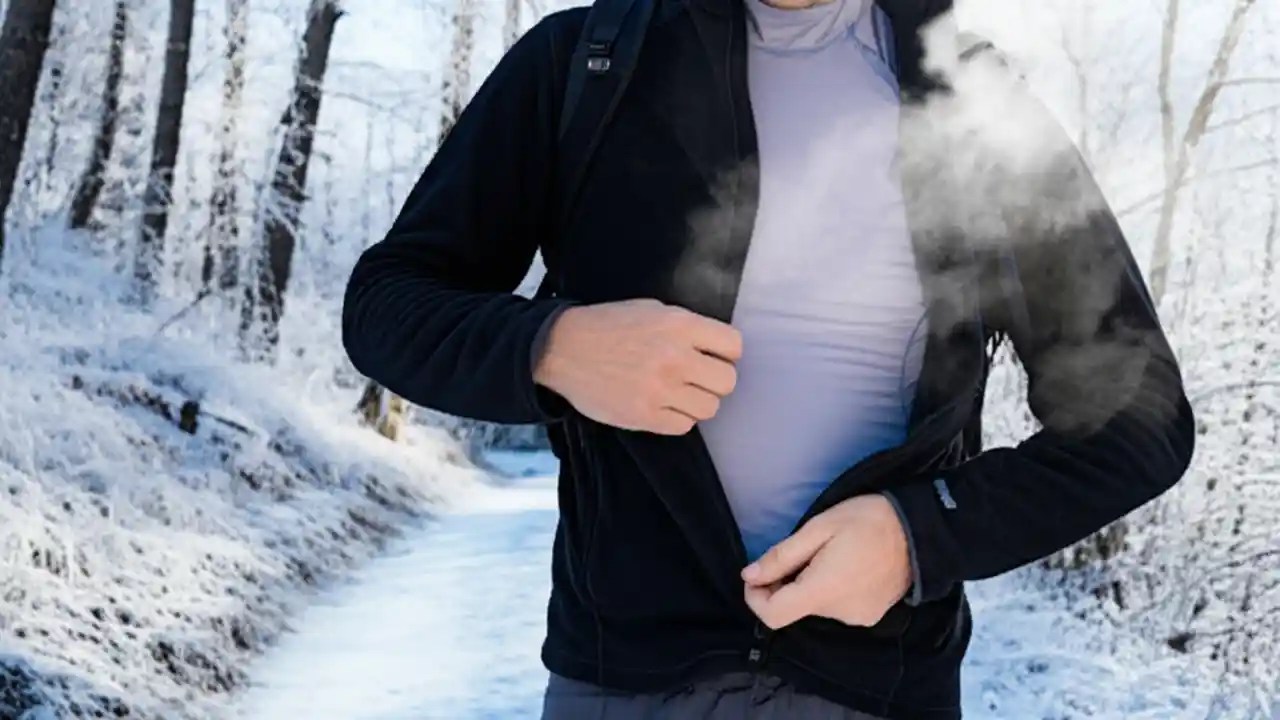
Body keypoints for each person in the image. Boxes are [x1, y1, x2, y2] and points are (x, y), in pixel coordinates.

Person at [341, 0, 1195, 716]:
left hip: (878, 690)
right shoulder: (590, 62)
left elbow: (1141, 421)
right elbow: (387, 305)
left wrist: (917, 536)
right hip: (623, 685)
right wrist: (552, 346)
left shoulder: (975, 108)